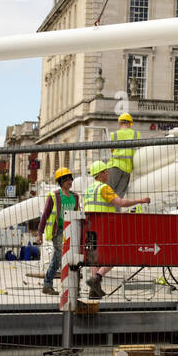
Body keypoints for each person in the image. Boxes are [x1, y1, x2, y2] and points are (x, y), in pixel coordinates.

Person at [82, 160, 150, 299]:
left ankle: (93, 292)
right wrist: (140, 201)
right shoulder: (104, 188)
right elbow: (121, 203)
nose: (108, 174)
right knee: (116, 254)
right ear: (100, 174)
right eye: (106, 172)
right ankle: (97, 278)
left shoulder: (88, 190)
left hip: (90, 228)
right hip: (104, 227)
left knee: (94, 258)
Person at [36, 167, 80, 295]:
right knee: (60, 255)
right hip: (58, 231)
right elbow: (45, 215)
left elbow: (77, 213)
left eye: (70, 179)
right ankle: (48, 284)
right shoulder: (54, 196)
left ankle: (70, 286)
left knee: (69, 257)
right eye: (66, 179)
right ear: (61, 181)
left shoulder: (75, 197)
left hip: (72, 229)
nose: (69, 181)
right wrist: (39, 233)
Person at [109, 113, 140, 197]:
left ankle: (107, 209)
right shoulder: (136, 134)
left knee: (108, 192)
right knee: (119, 196)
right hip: (127, 168)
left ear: (120, 123)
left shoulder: (114, 135)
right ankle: (116, 210)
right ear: (130, 123)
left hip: (115, 165)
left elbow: (112, 150)